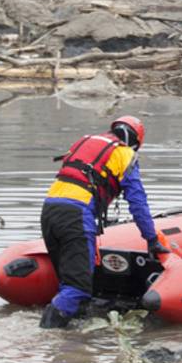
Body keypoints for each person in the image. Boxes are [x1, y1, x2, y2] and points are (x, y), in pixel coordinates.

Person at [39, 115, 169, 329]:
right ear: (136, 142)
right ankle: (48, 339)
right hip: (76, 215)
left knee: (68, 282)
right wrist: (151, 239)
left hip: (50, 211)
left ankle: (74, 339)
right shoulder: (125, 154)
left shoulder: (84, 142)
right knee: (77, 288)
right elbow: (138, 203)